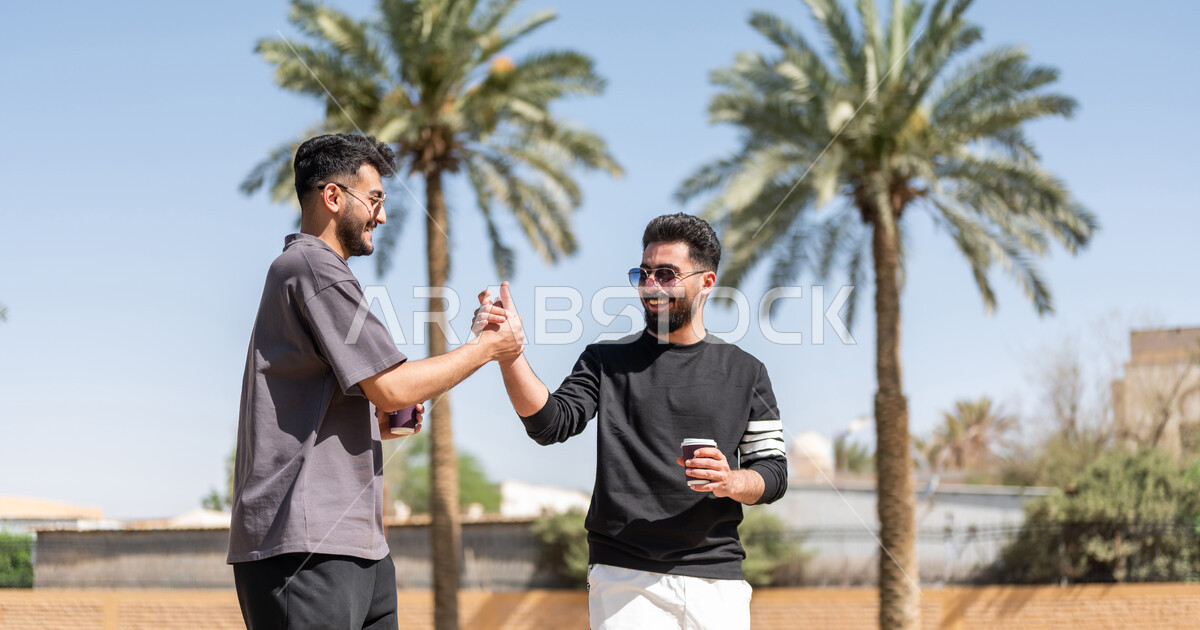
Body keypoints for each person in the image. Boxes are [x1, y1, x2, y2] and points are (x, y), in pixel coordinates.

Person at [228, 133, 523, 630]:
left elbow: (369, 396)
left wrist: (376, 421)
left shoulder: (315, 272)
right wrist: (486, 350)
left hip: (356, 549)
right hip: (305, 548)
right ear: (333, 197)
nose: (382, 217)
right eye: (376, 199)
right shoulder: (312, 267)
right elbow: (393, 387)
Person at [475, 213, 788, 630]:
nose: (650, 286)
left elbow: (774, 471)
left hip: (718, 576)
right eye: (643, 274)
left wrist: (733, 481)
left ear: (707, 282)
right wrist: (509, 354)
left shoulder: (747, 372)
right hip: (624, 574)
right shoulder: (605, 361)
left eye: (665, 274)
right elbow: (550, 424)